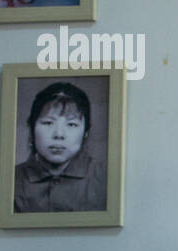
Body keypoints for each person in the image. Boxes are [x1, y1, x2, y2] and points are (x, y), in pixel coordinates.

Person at [13, 81, 107, 213]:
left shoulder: (105, 179)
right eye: (48, 123)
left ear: (86, 132)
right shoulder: (10, 181)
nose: (59, 134)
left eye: (71, 124)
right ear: (31, 128)